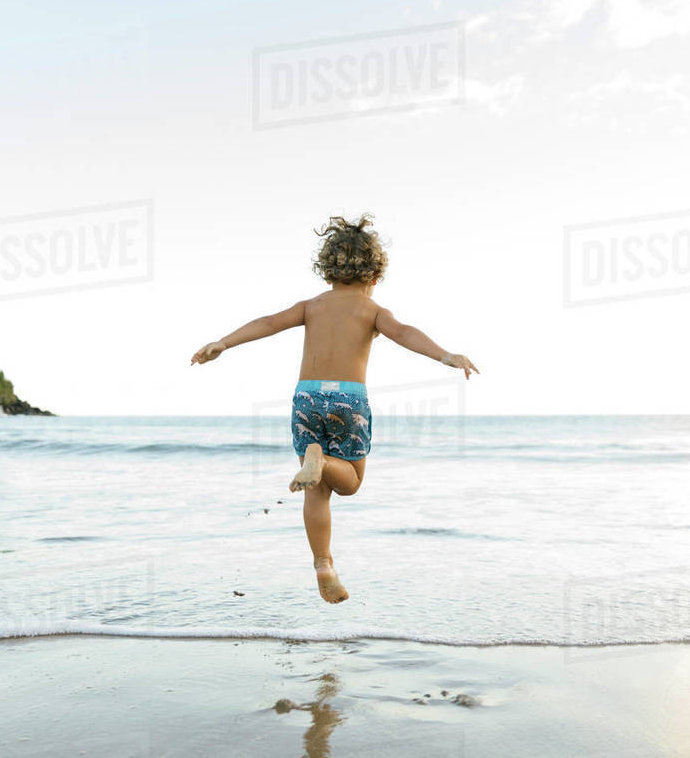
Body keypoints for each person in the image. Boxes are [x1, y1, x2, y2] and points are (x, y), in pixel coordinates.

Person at [190, 213, 478, 603]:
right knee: (351, 482)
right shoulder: (373, 311)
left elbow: (269, 322)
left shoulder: (312, 306)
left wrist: (223, 342)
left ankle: (323, 563)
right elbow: (405, 333)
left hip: (306, 398)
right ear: (375, 276)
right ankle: (322, 463)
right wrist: (445, 356)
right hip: (348, 398)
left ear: (327, 272)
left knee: (317, 493)